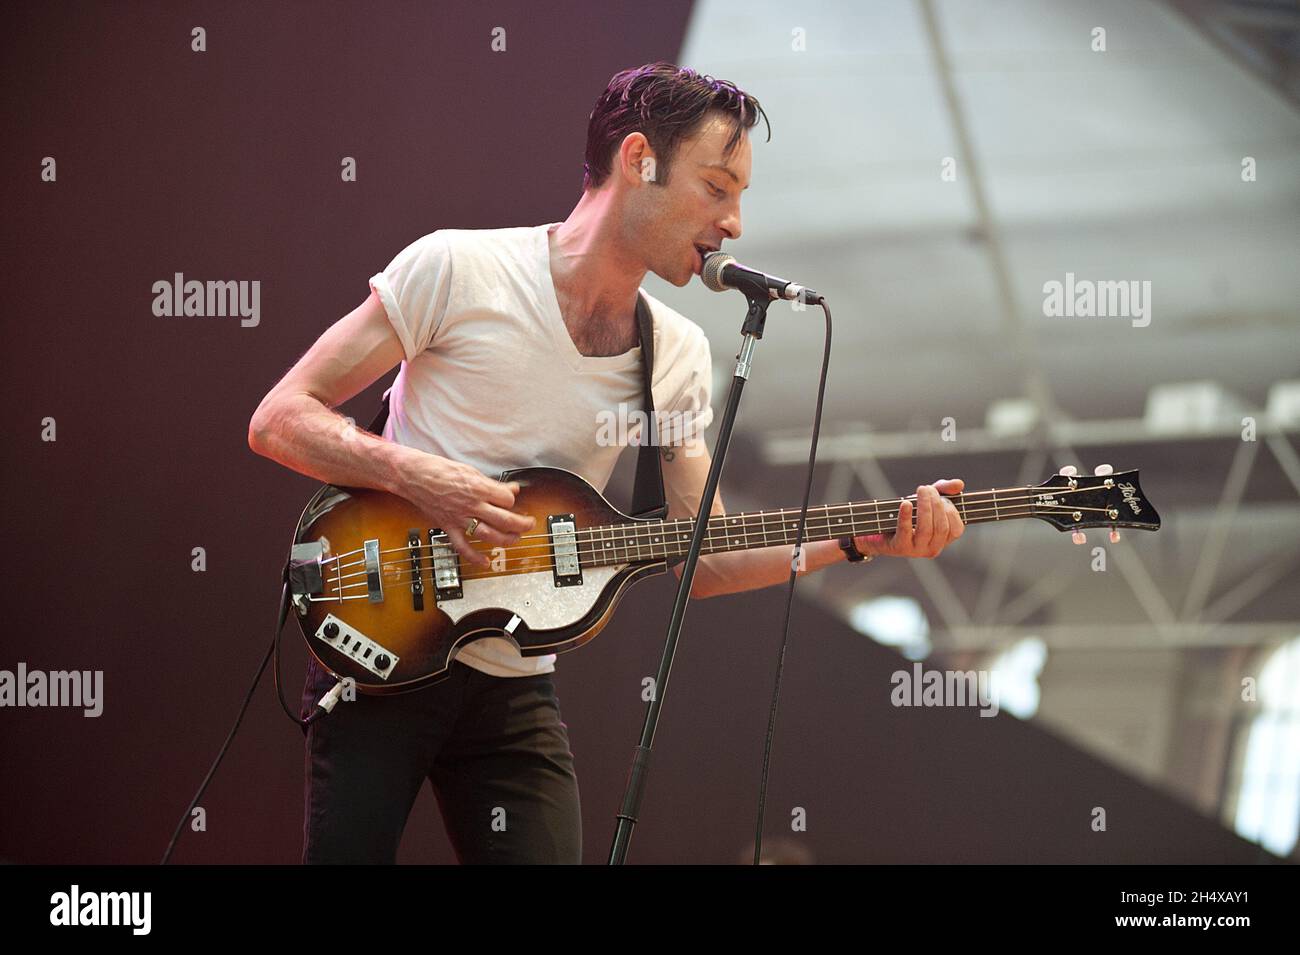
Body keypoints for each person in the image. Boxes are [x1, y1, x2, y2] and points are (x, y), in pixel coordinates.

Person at [247, 61, 965, 865]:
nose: (735, 224)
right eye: (718, 187)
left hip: (514, 684)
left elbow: (705, 559)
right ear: (637, 161)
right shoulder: (458, 269)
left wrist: (865, 539)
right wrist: (417, 475)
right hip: (381, 653)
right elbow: (279, 418)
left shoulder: (678, 354)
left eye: (741, 198)